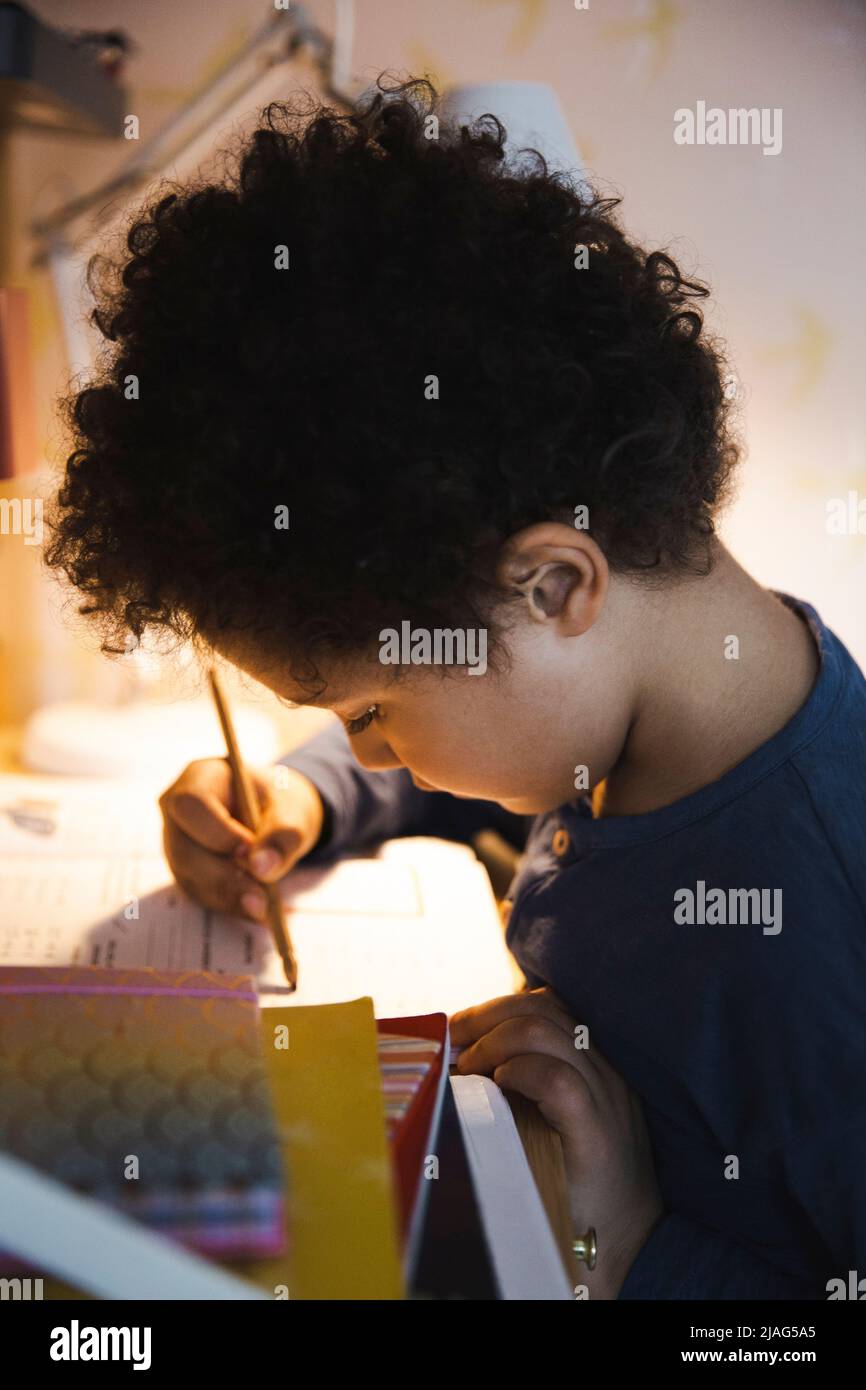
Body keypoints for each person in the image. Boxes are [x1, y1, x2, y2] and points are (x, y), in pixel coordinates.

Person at [46, 78, 866, 1299]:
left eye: (368, 713)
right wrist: (306, 797)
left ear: (550, 589)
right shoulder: (631, 714)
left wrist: (636, 1246)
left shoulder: (809, 956)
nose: (374, 752)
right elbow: (491, 782)